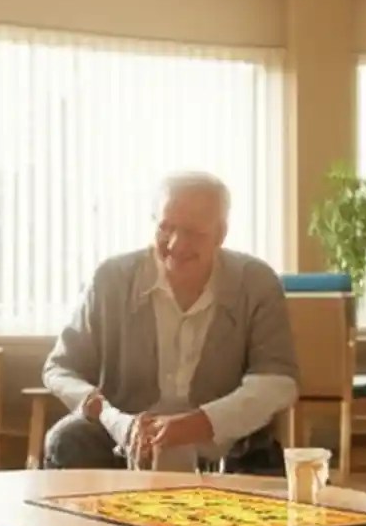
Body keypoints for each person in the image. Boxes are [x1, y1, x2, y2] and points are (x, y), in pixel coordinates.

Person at [42, 171, 299, 477]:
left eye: (194, 232)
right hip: (123, 439)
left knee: (266, 467)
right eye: (166, 227)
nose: (176, 244)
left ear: (220, 234)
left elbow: (278, 380)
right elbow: (60, 369)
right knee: (66, 442)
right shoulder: (111, 279)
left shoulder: (256, 282)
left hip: (224, 446)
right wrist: (110, 417)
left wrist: (198, 424)